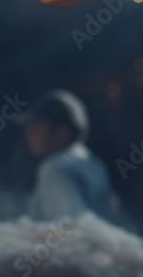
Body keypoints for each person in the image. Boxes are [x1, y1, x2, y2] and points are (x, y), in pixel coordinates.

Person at [21, 89, 115, 222]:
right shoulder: (94, 163)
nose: (28, 135)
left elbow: (71, 226)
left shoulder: (55, 168)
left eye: (37, 129)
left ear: (63, 133)